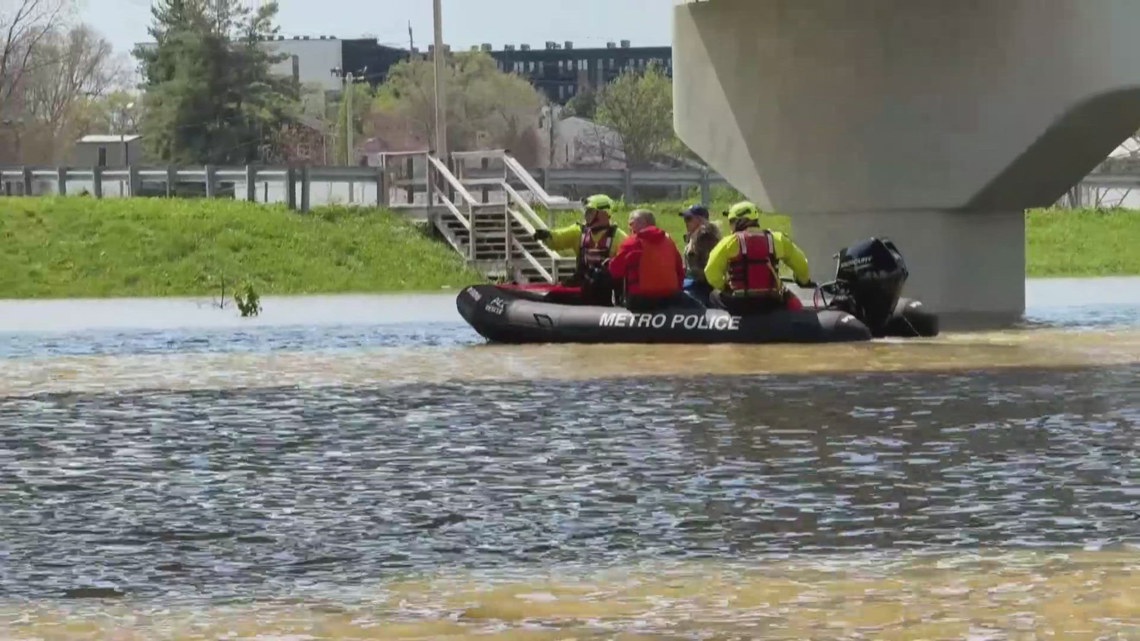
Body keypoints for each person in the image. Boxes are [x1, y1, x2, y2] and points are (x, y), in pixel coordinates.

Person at [703, 200, 816, 315]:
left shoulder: (729, 242)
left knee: (713, 295)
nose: (730, 226)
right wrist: (803, 281)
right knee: (787, 295)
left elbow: (711, 271)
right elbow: (802, 265)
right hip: (771, 302)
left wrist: (724, 287)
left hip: (740, 304)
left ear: (738, 222)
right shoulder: (778, 239)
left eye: (731, 222)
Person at [533, 193, 628, 305]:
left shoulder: (619, 237)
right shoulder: (579, 232)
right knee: (552, 297)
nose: (586, 216)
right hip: (581, 282)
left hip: (603, 289)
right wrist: (547, 236)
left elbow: (624, 267)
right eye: (587, 212)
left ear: (603, 214)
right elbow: (559, 238)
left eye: (590, 212)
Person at [607, 209, 686, 312]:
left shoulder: (631, 243)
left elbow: (615, 271)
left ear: (643, 223)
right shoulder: (668, 241)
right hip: (669, 297)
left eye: (631, 223)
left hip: (640, 301)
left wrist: (609, 262)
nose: (629, 227)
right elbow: (680, 270)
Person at [678, 204, 721, 306]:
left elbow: (707, 267)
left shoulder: (705, 237)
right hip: (693, 282)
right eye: (685, 219)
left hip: (702, 286)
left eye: (689, 219)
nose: (686, 222)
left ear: (700, 220)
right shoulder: (693, 236)